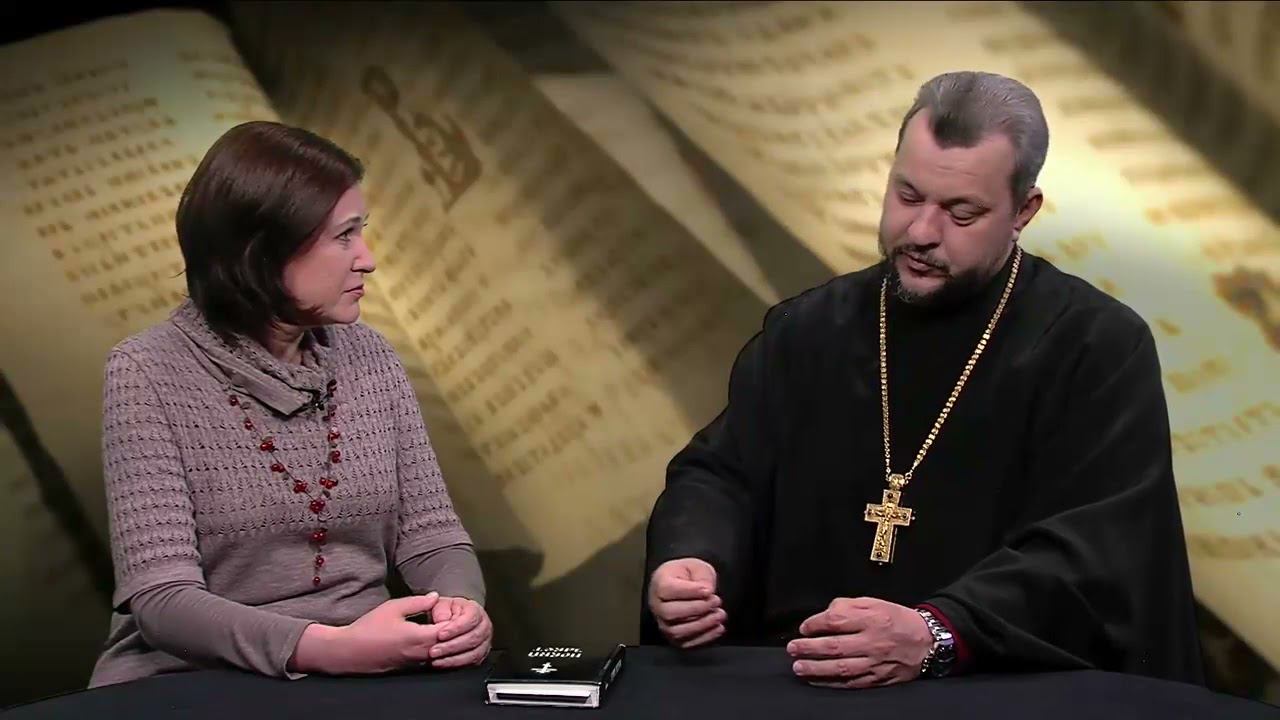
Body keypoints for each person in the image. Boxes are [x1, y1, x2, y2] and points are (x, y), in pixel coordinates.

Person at [641, 71, 1205, 688]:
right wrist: (693, 557)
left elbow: (1100, 549)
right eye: (908, 196)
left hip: (997, 693)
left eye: (961, 212)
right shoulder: (809, 329)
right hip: (797, 680)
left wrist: (940, 631)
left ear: (1024, 210)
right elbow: (723, 473)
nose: (921, 233)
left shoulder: (1095, 346)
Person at [89, 121, 492, 687]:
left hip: (367, 671)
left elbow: (432, 535)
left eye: (362, 232)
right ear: (262, 251)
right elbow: (163, 601)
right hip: (193, 679)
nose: (367, 259)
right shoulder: (146, 370)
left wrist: (458, 610)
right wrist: (330, 649)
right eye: (345, 236)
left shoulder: (371, 355)